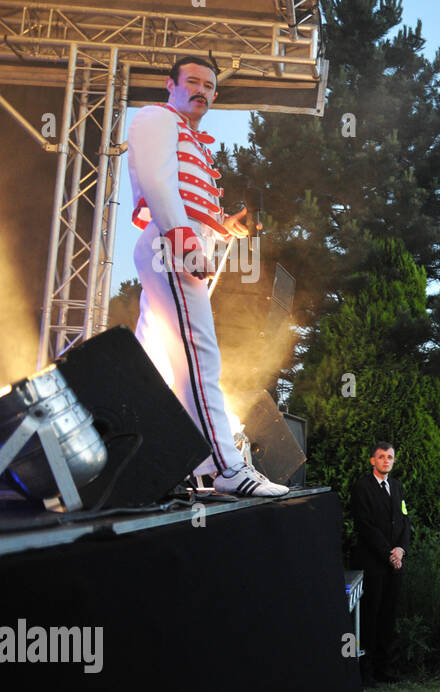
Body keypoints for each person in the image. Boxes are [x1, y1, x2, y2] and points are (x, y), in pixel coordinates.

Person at [128, 55, 286, 497]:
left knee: (154, 361)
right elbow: (159, 186)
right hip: (170, 244)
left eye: (209, 85)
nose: (202, 90)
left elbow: (184, 196)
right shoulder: (158, 117)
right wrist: (185, 242)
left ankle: (146, 462)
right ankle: (226, 469)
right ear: (170, 84)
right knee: (199, 359)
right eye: (193, 81)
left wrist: (223, 226)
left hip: (174, 241)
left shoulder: (188, 134)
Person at [351, 442, 411, 686]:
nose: (386, 461)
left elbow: (405, 522)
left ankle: (385, 669)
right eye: (381, 457)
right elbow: (365, 527)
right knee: (370, 618)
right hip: (373, 564)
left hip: (394, 565)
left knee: (389, 617)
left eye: (390, 457)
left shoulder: (396, 487)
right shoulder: (362, 488)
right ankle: (366, 673)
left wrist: (401, 550)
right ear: (372, 461)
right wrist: (388, 552)